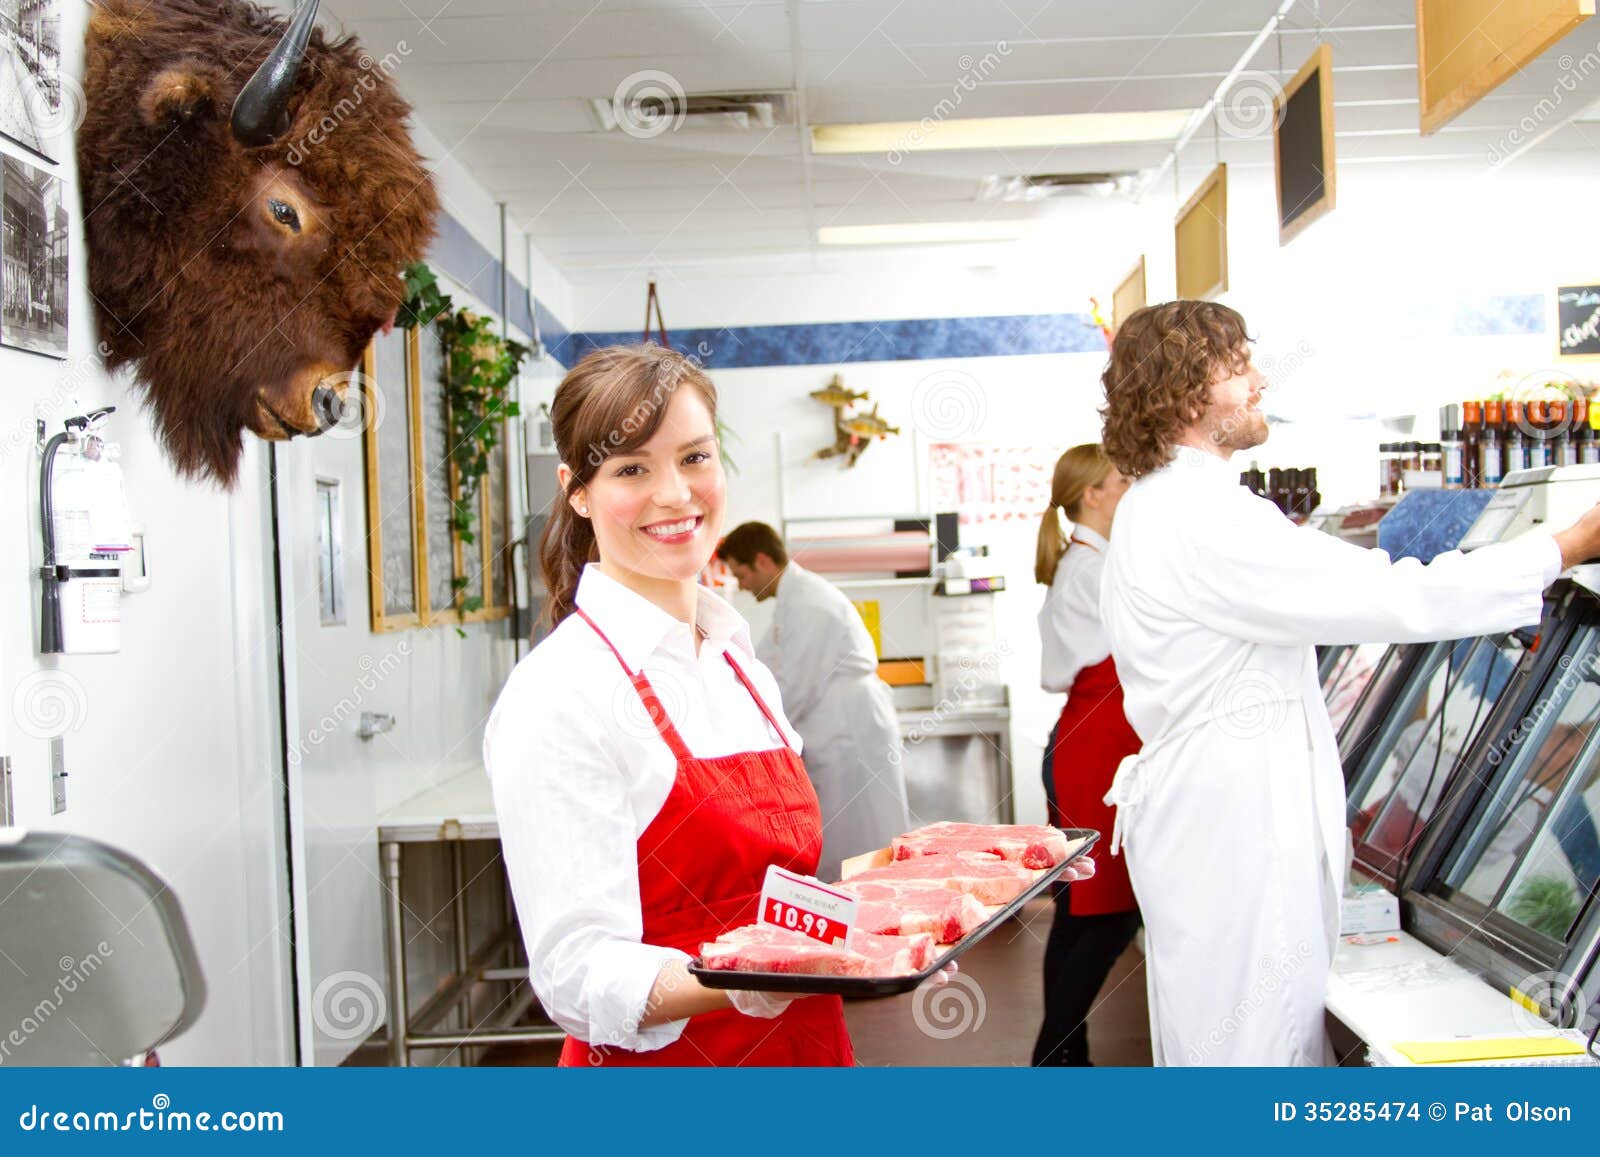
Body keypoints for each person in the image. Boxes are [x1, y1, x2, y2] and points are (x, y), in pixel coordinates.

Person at [1096, 300, 1600, 1066]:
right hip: (1231, 830)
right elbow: (1398, 595)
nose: (1260, 378)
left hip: (1217, 822)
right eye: (1238, 365)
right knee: (1248, 1059)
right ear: (1185, 391)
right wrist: (1566, 544)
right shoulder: (1202, 517)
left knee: (1229, 1045)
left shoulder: (1169, 505)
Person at [482, 345, 852, 1066]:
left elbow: (774, 895)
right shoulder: (560, 692)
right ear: (577, 490)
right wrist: (744, 978)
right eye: (631, 469)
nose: (675, 494)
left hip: (807, 1052)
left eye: (694, 457)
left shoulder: (739, 662)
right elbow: (575, 973)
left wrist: (883, 929)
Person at [1030, 443, 1141, 1067]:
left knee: (1081, 913)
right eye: (1121, 482)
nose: (1131, 494)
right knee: (1111, 914)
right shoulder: (1093, 570)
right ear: (1092, 495)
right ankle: (1056, 1052)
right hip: (1094, 755)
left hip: (1092, 747)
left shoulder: (1093, 561)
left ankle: (1066, 1056)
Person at [719, 522, 910, 880]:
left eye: (740, 573)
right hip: (834, 726)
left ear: (762, 561)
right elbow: (765, 665)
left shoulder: (809, 602)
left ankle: (873, 919)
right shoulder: (793, 600)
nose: (742, 585)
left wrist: (760, 742)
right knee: (848, 834)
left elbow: (795, 686)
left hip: (848, 725)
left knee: (861, 836)